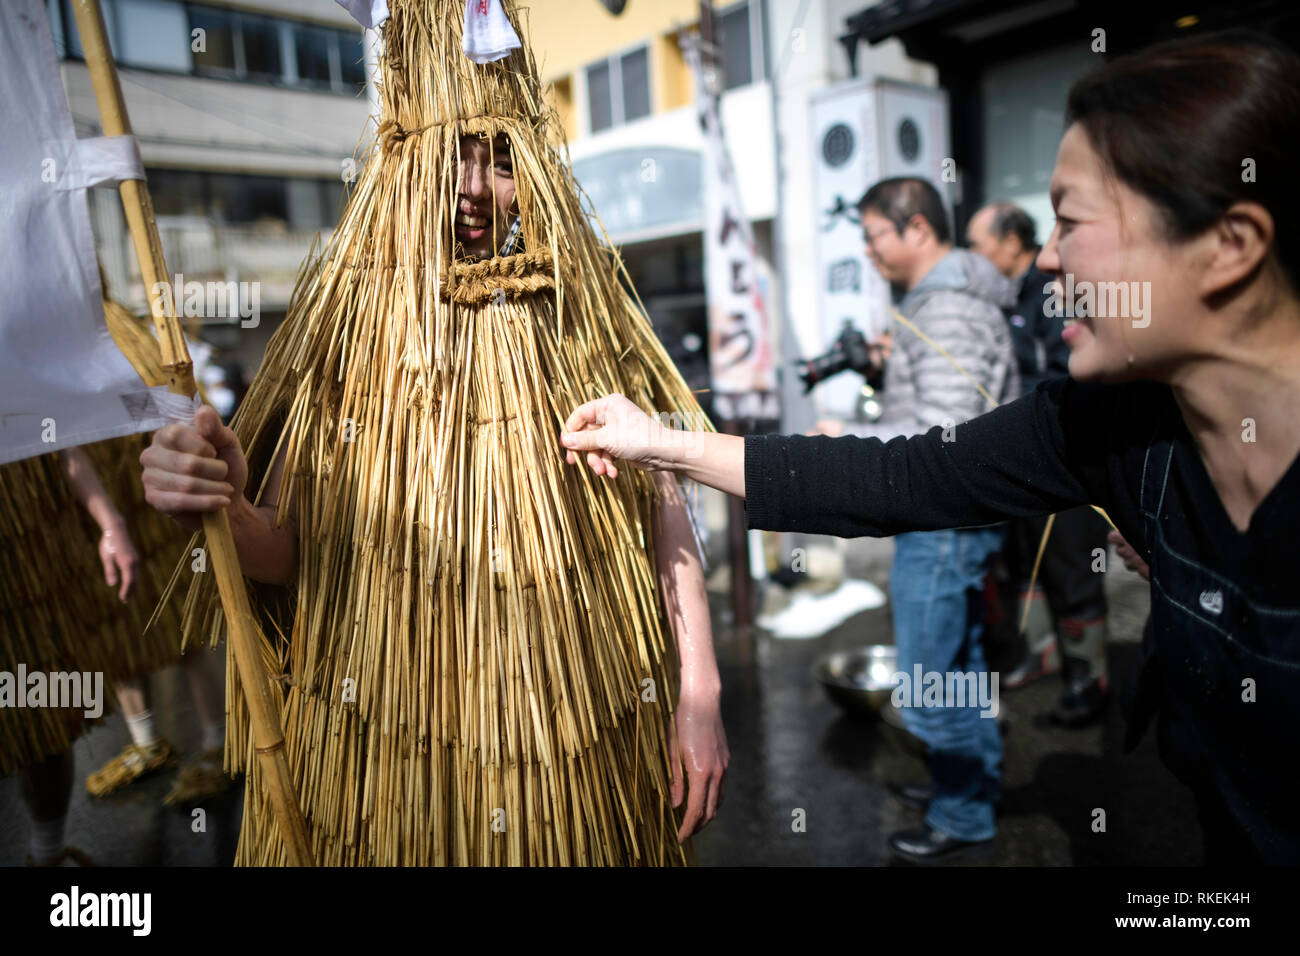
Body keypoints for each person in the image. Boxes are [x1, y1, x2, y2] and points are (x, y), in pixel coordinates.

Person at [561, 31, 1300, 865]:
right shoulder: (1108, 425)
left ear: (1229, 245)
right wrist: (661, 443)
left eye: (1072, 221)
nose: (1044, 259)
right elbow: (900, 476)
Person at [141, 0, 725, 866]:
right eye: (455, 158)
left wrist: (701, 694)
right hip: (401, 756)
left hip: (576, 737)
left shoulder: (579, 309)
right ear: (400, 163)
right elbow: (294, 554)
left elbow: (661, 509)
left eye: (501, 159)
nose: (478, 191)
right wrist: (222, 508)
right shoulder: (346, 339)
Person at [808, 177, 1019, 861]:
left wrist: (846, 444)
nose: (869, 252)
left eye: (874, 236)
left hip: (947, 521)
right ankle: (969, 789)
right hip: (957, 517)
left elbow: (947, 438)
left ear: (917, 229)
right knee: (960, 663)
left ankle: (963, 814)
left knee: (928, 687)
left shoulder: (948, 308)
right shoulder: (941, 300)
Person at [967, 201, 1112, 726]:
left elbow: (1070, 373)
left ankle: (1089, 679)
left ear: (1010, 242)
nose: (973, 255)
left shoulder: (1053, 291)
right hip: (1022, 455)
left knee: (1072, 567)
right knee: (1025, 562)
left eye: (978, 243)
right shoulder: (1002, 297)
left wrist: (1006, 400)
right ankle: (1042, 652)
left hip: (1071, 457)